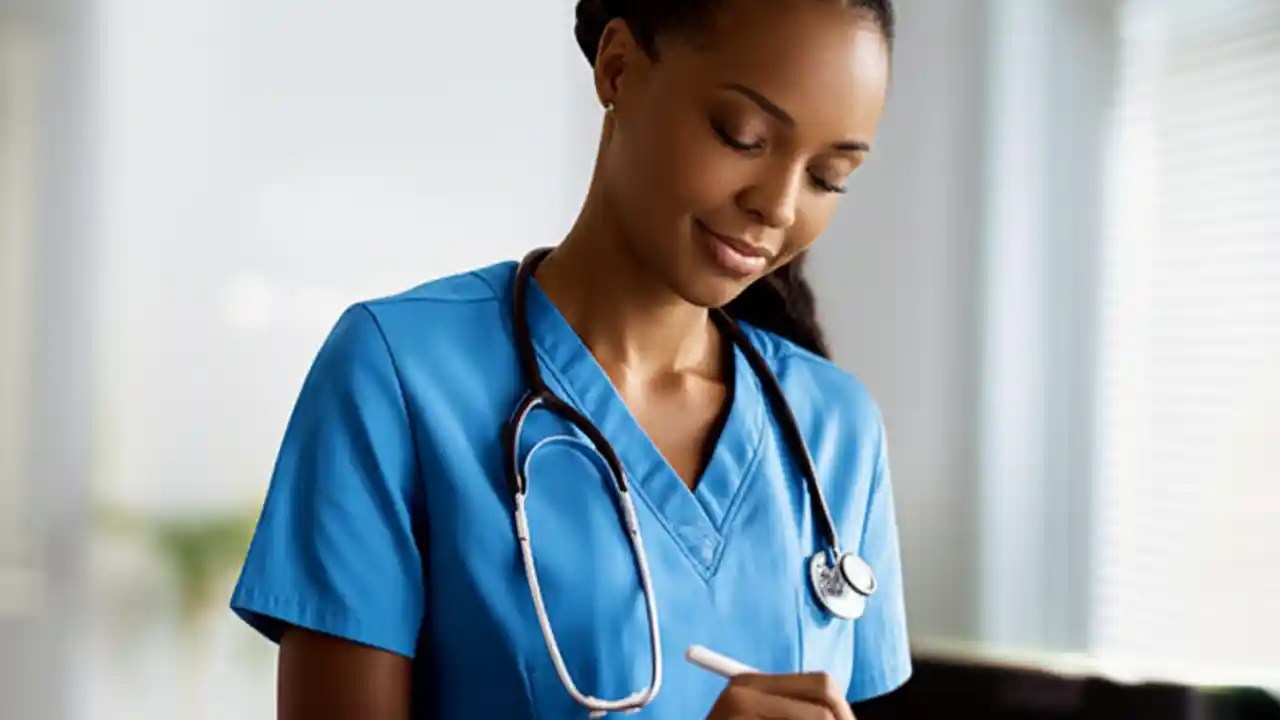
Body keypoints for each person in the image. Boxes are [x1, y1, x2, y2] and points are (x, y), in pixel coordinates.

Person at [230, 0, 908, 717]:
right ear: (618, 68)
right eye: (742, 136)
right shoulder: (398, 375)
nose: (778, 205)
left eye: (829, 177)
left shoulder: (836, 427)